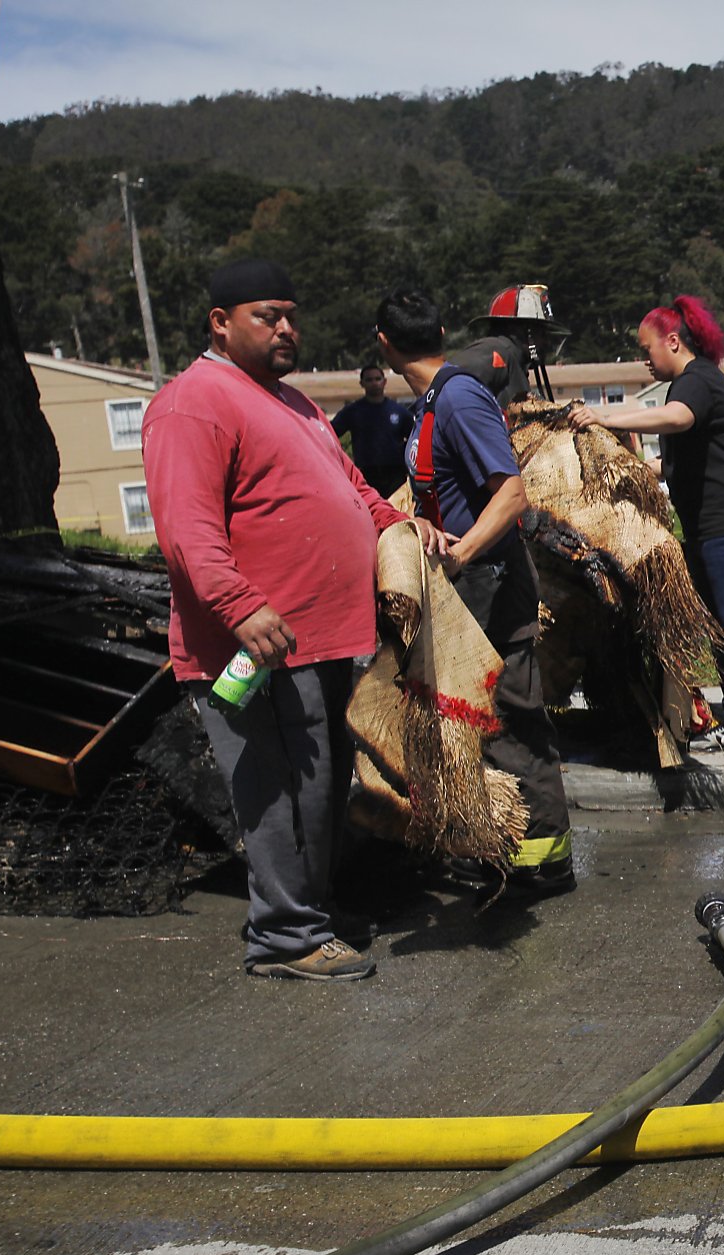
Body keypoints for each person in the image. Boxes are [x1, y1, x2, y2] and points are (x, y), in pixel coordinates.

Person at [142, 258, 444, 981]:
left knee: (322, 785)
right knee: (275, 790)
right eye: (266, 316)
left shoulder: (294, 403)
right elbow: (186, 529)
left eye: (290, 314)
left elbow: (353, 488)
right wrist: (241, 606)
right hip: (255, 647)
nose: (286, 328)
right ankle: (283, 937)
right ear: (220, 323)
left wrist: (397, 526)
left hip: (325, 638)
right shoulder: (194, 403)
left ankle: (309, 910)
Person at [376, 288, 576, 892]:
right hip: (469, 588)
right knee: (482, 721)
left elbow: (510, 494)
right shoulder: (436, 400)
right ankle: (502, 845)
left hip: (494, 584)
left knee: (512, 716)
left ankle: (544, 858)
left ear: (383, 345)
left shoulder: (459, 398)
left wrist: (460, 552)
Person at [569, 298, 724, 766]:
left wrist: (605, 416)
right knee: (719, 626)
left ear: (673, 342)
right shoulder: (688, 385)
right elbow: (677, 457)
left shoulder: (697, 382)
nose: (643, 359)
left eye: (647, 349)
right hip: (709, 527)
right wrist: (637, 470)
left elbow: (678, 420)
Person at [329, 364, 410, 497]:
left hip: (395, 476)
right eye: (369, 380)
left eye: (377, 379)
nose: (374, 383)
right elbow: (330, 434)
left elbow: (415, 438)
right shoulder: (353, 411)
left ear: (384, 382)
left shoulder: (398, 411)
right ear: (362, 383)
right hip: (366, 476)